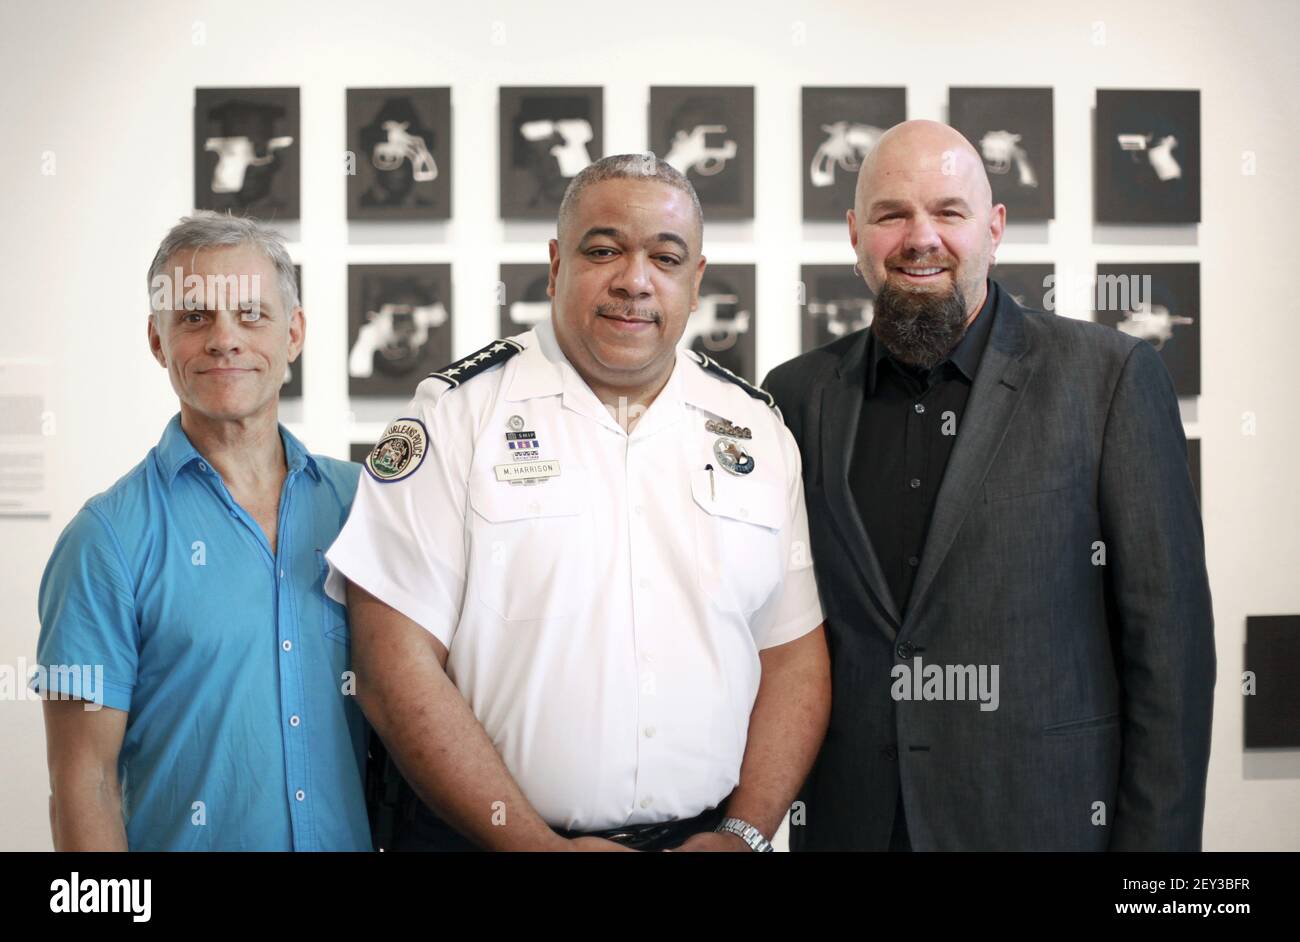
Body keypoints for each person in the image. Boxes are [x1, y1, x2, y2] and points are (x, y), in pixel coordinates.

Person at [326, 155, 829, 852]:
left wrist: (743, 834)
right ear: (557, 264)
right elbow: (391, 664)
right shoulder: (455, 415)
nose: (634, 280)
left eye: (665, 256)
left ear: (696, 279)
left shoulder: (757, 431)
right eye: (604, 250)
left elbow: (795, 658)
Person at [763, 120, 1215, 851]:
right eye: (891, 214)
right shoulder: (797, 394)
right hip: (852, 826)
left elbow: (1170, 657)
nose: (921, 237)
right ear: (854, 233)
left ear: (995, 228)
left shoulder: (1107, 380)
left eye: (948, 211)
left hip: (1044, 823)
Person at [33, 212, 370, 850]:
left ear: (293, 334)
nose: (224, 340)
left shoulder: (364, 506)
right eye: (195, 317)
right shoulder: (101, 541)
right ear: (158, 342)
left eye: (251, 314)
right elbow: (83, 781)